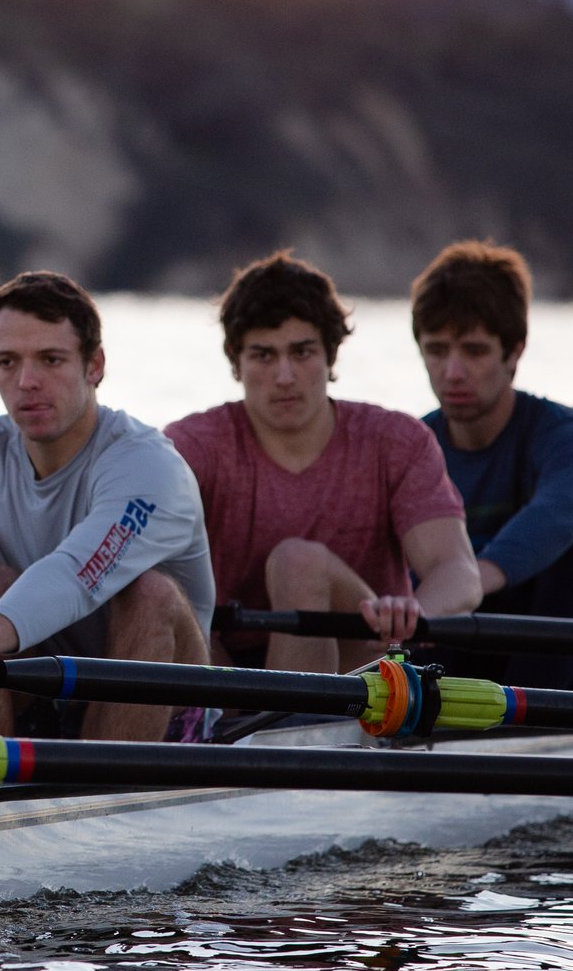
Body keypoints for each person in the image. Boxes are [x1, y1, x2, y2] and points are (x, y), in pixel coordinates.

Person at [168, 249, 480, 676]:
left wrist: (412, 612)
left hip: (363, 663)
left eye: (301, 353)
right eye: (263, 355)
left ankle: (281, 731)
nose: (284, 376)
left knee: (299, 563)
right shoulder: (192, 446)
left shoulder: (395, 441)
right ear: (235, 361)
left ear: (331, 355)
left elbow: (459, 574)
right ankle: (240, 723)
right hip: (227, 668)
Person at [0, 270, 215, 739]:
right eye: (7, 362)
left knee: (151, 593)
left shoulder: (150, 467)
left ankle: (106, 790)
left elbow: (78, 573)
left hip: (169, 703)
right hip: (45, 687)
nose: (27, 381)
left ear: (94, 366)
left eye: (51, 359)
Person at [411, 241, 573, 688]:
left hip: (567, 661)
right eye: (436, 350)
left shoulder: (568, 436)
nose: (452, 371)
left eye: (474, 350)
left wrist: (463, 583)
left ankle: (522, 727)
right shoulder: (410, 446)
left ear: (514, 351)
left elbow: (558, 514)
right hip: (454, 649)